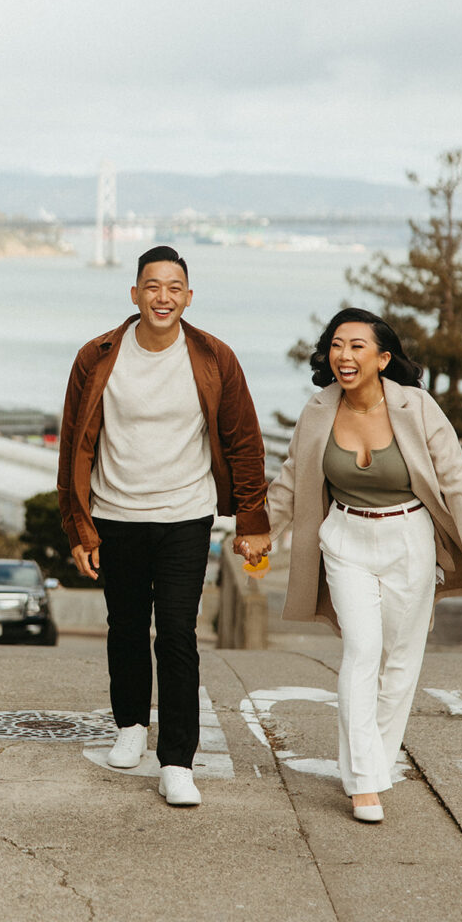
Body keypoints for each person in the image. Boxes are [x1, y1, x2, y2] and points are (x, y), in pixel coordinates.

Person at [237, 307, 462, 823]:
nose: (344, 356)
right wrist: (259, 530)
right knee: (362, 651)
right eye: (337, 345)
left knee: (400, 661)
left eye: (357, 346)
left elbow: (457, 482)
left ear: (382, 358)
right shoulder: (318, 410)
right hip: (345, 538)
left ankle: (378, 760)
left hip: (409, 538)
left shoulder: (416, 408)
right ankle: (364, 781)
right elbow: (291, 477)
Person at [58, 245, 271, 806]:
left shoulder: (214, 358)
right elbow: (75, 448)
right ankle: (130, 726)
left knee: (176, 633)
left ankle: (177, 760)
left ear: (188, 297)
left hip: (185, 514)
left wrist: (253, 520)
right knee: (126, 626)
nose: (163, 297)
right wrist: (79, 527)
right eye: (152, 286)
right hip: (115, 513)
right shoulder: (97, 356)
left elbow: (244, 442)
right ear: (134, 294)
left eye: (174, 288)